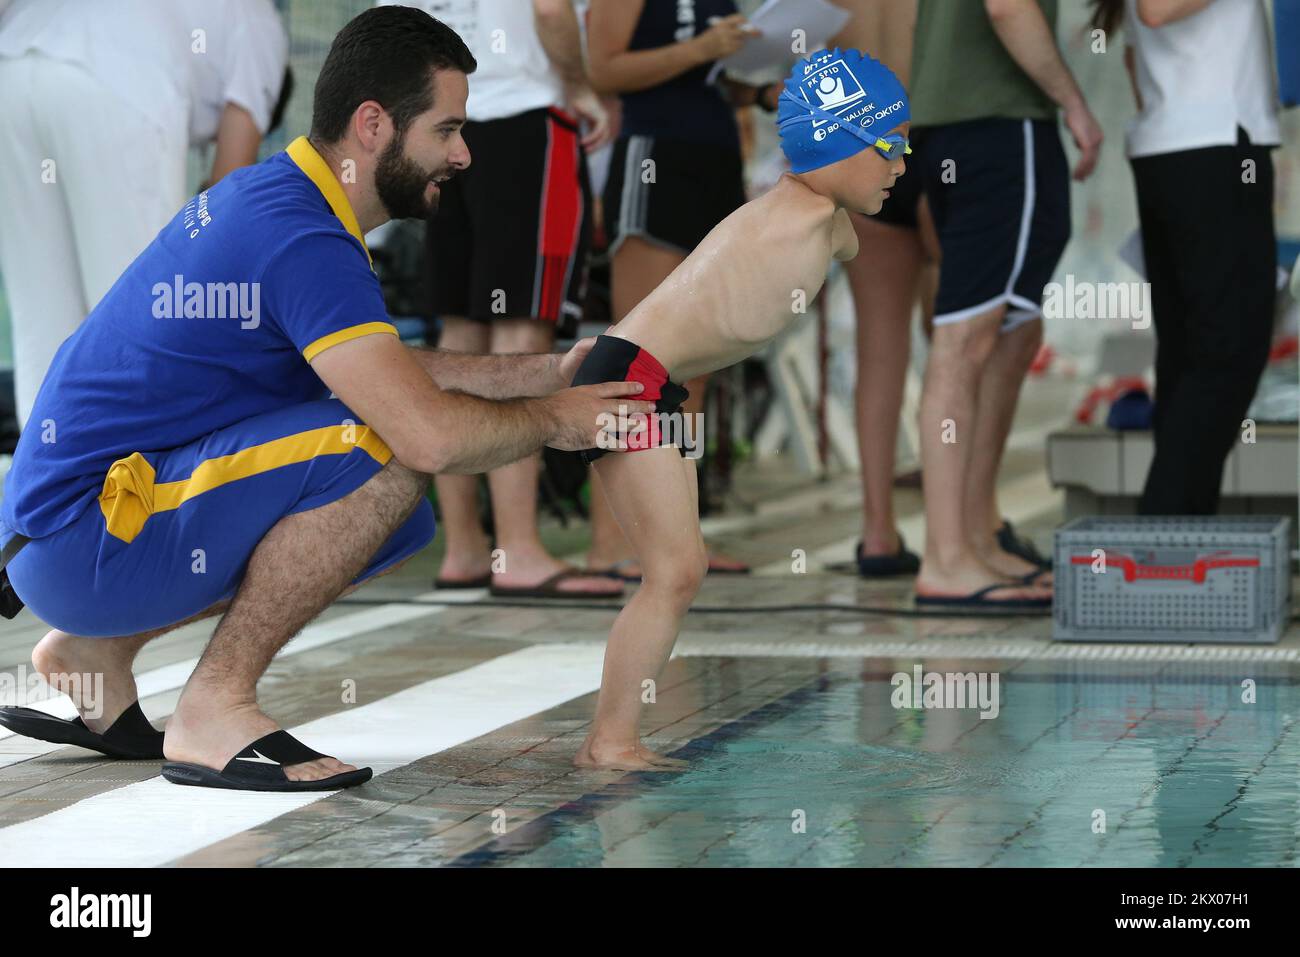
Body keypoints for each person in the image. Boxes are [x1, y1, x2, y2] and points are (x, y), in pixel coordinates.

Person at [0, 6, 654, 792]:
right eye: (446, 130)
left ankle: (93, 655)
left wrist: (552, 371)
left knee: (394, 500)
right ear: (373, 124)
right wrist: (559, 422)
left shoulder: (288, 200)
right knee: (385, 452)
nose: (464, 153)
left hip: (67, 537)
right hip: (81, 539)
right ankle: (215, 705)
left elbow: (384, 367)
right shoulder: (302, 235)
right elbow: (428, 435)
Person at [567, 47, 919, 770]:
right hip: (628, 379)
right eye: (891, 147)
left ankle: (614, 734)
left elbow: (849, 217)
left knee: (676, 569)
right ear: (842, 142)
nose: (902, 166)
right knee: (674, 571)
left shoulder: (819, 213)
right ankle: (610, 740)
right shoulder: (802, 219)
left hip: (642, 377)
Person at [381, 0, 623, 599]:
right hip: (523, 115)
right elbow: (549, 8)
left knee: (459, 332)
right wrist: (580, 86)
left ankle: (464, 547)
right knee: (521, 326)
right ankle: (515, 548)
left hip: (439, 124)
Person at [0, 0, 292, 426]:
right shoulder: (262, 24)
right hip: (117, 87)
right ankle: (138, 484)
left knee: (43, 318)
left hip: (13, 71)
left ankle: (39, 486)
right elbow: (229, 189)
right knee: (144, 321)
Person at [907, 0, 1103, 608]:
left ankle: (968, 539)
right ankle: (944, 557)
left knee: (1009, 332)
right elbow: (1008, 5)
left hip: (954, 123)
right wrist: (1073, 100)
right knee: (966, 336)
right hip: (999, 121)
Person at [581, 0, 765, 583]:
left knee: (695, 369)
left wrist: (755, 92)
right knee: (635, 362)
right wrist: (702, 49)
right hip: (654, 158)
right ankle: (611, 541)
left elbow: (701, 76)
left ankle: (678, 538)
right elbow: (604, 69)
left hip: (714, 158)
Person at [1094, 0, 1280, 515]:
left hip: (1178, 144)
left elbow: (1136, 56)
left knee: (1190, 355)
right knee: (1227, 353)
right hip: (1213, 146)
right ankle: (1161, 531)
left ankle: (1179, 540)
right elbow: (1156, 10)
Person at [829, 0, 939, 577]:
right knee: (957, 338)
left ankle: (877, 531)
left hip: (862, 147)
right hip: (940, 141)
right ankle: (963, 525)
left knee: (880, 347)